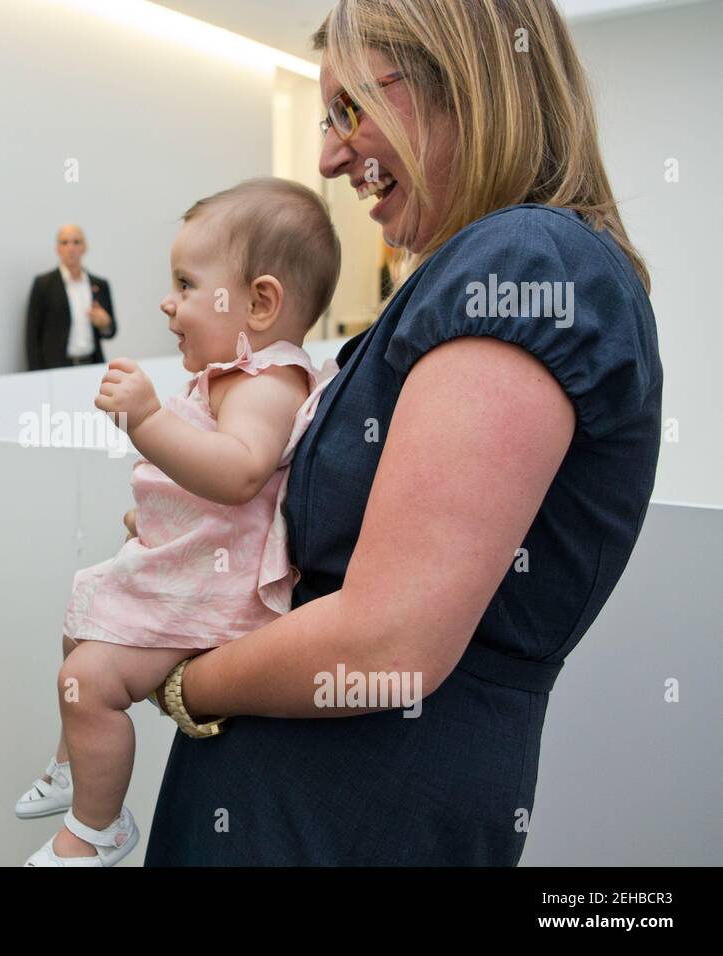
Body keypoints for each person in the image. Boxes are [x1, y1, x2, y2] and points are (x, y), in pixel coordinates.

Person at [142, 0, 663, 865]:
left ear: (463, 80)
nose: (328, 155)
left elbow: (389, 638)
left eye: (353, 111)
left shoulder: (528, 263)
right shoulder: (486, 271)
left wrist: (178, 679)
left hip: (351, 815)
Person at [18, 179, 341, 866]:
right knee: (77, 627)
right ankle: (76, 762)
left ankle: (97, 829)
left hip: (216, 592)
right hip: (188, 561)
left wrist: (148, 420)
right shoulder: (233, 376)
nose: (169, 302)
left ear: (259, 302)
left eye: (186, 285)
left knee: (92, 684)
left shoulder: (266, 383)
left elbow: (241, 471)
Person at [25, 224, 116, 370]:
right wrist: (36, 374)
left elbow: (111, 331)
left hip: (92, 364)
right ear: (57, 249)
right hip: (57, 368)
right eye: (65, 242)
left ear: (85, 247)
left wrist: (105, 323)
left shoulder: (99, 285)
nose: (71, 248)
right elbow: (32, 336)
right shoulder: (44, 285)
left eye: (76, 242)